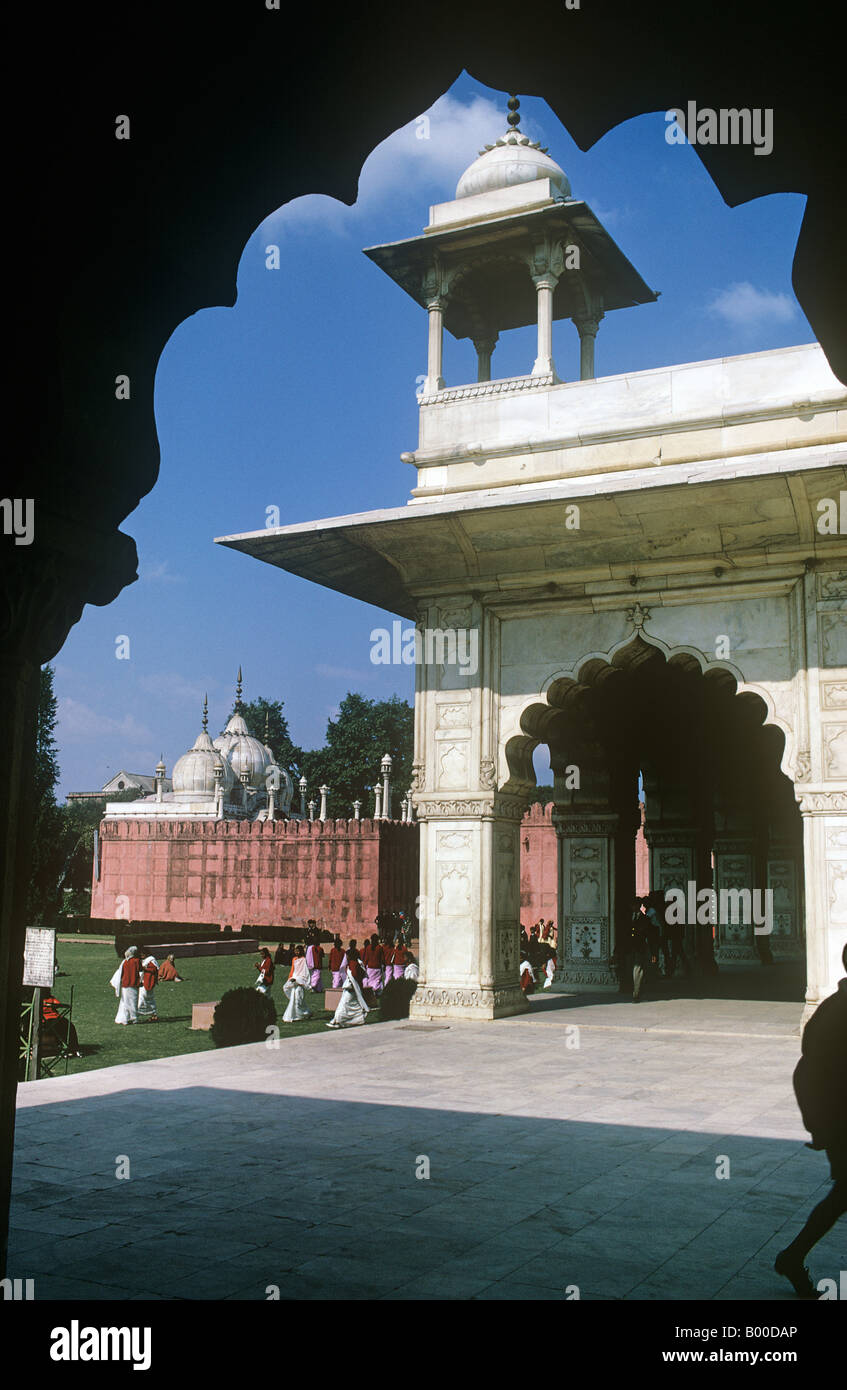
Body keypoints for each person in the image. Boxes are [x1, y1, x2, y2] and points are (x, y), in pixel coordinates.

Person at [774, 941, 847, 1298]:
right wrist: (822, 1127)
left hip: (835, 1123)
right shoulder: (837, 1013)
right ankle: (792, 1255)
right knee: (842, 1196)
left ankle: (793, 1256)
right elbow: (808, 1073)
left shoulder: (833, 1009)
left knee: (842, 1196)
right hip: (842, 1125)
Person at [326, 950, 370, 1029]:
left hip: (351, 989)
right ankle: (357, 1019)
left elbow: (354, 975)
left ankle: (338, 1021)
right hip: (353, 989)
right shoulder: (357, 963)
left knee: (343, 1006)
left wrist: (351, 983)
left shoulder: (353, 964)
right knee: (352, 1005)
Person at [40, 993, 82, 1057]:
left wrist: (51, 1004)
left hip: (55, 1017)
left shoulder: (50, 998)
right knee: (57, 1026)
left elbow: (57, 1003)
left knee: (70, 1025)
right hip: (45, 1019)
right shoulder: (38, 999)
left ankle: (74, 1048)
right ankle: (61, 1047)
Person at [282, 946, 311, 1022]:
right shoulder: (294, 959)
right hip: (294, 979)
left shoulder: (304, 960)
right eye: (295, 951)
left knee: (298, 998)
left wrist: (299, 980)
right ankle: (302, 1013)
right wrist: (290, 977)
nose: (296, 952)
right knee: (291, 994)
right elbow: (293, 969)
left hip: (300, 980)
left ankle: (300, 1014)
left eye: (298, 951)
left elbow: (304, 971)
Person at [112, 946, 140, 1024]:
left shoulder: (124, 962)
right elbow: (140, 970)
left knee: (125, 1002)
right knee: (133, 1001)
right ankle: (133, 1018)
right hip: (133, 984)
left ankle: (126, 1018)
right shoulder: (136, 961)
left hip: (125, 984)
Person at [138, 956, 159, 1022]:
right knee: (149, 999)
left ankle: (135, 1014)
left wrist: (145, 968)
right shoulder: (143, 960)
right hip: (144, 982)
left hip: (148, 982)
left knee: (143, 998)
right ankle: (153, 1014)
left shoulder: (151, 960)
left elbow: (154, 969)